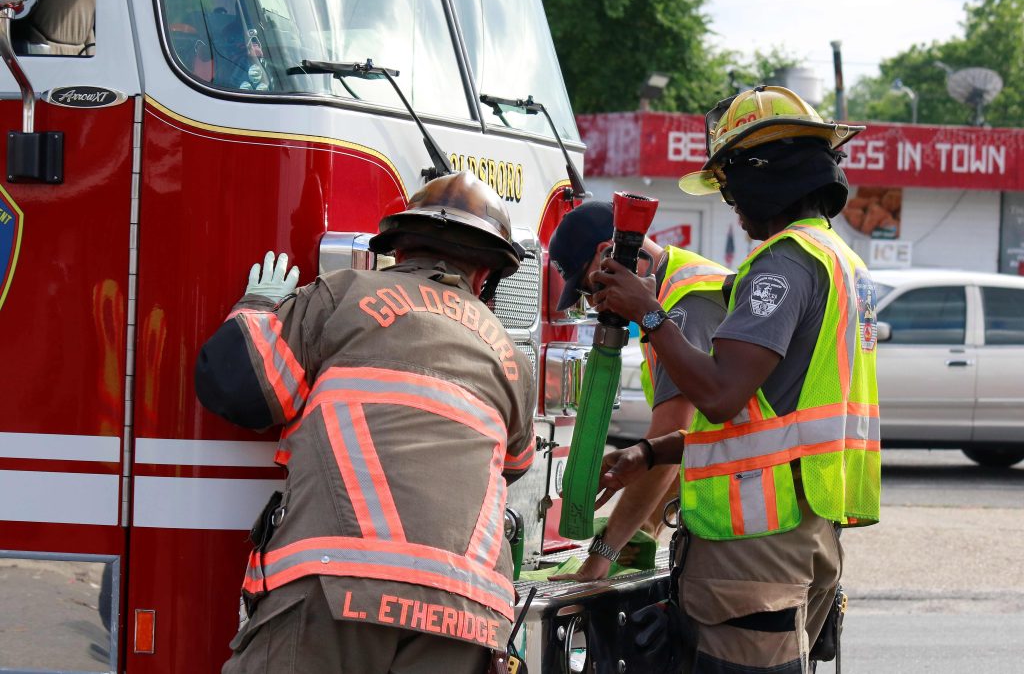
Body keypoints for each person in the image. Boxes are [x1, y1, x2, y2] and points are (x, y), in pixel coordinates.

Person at [195, 171, 537, 674]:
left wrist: (258, 306)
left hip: (335, 590)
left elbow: (239, 385)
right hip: (467, 612)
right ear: (485, 277)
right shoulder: (512, 358)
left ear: (398, 252)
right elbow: (513, 465)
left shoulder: (344, 295)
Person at [588, 85, 881, 673]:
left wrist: (649, 312)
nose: (731, 205)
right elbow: (768, 427)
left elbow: (721, 397)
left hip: (756, 549)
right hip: (806, 528)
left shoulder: (783, 263)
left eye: (728, 186)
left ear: (762, 176)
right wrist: (650, 452)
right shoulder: (842, 261)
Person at [545, 201, 731, 581]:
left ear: (609, 255)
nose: (595, 304)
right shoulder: (670, 291)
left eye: (590, 287)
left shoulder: (684, 305)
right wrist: (638, 539)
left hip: (752, 525)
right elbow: (681, 444)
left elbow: (665, 442)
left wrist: (600, 557)